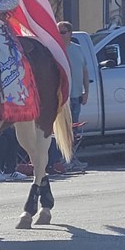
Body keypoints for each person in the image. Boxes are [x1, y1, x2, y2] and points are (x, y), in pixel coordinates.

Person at [50, 21, 90, 171]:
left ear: (70, 34)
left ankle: (71, 158)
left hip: (76, 96)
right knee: (62, 129)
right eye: (58, 31)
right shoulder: (54, 50)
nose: (59, 34)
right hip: (62, 98)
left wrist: (86, 91)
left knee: (73, 130)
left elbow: (85, 72)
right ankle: (62, 160)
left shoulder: (77, 49)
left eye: (63, 32)